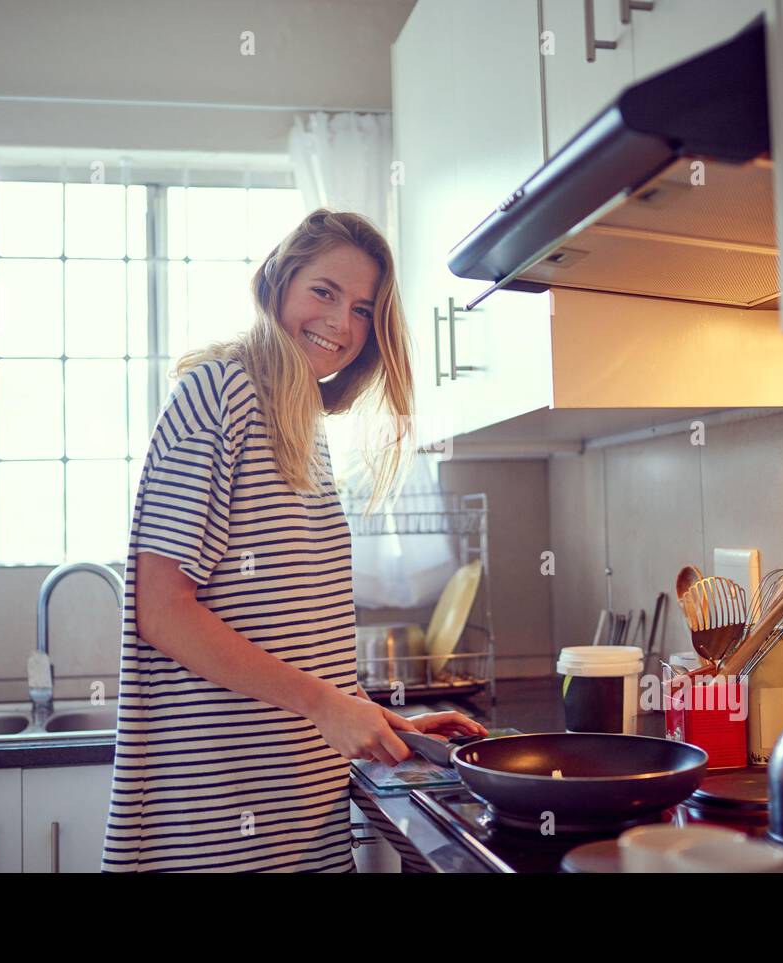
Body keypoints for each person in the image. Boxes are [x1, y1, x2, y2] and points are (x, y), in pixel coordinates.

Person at [101, 208, 487, 872]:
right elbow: (163, 612)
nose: (341, 322)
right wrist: (322, 704)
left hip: (298, 815)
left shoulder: (302, 421)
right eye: (324, 292)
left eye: (363, 309)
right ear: (279, 283)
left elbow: (286, 633)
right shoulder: (216, 394)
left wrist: (379, 720)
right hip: (217, 827)